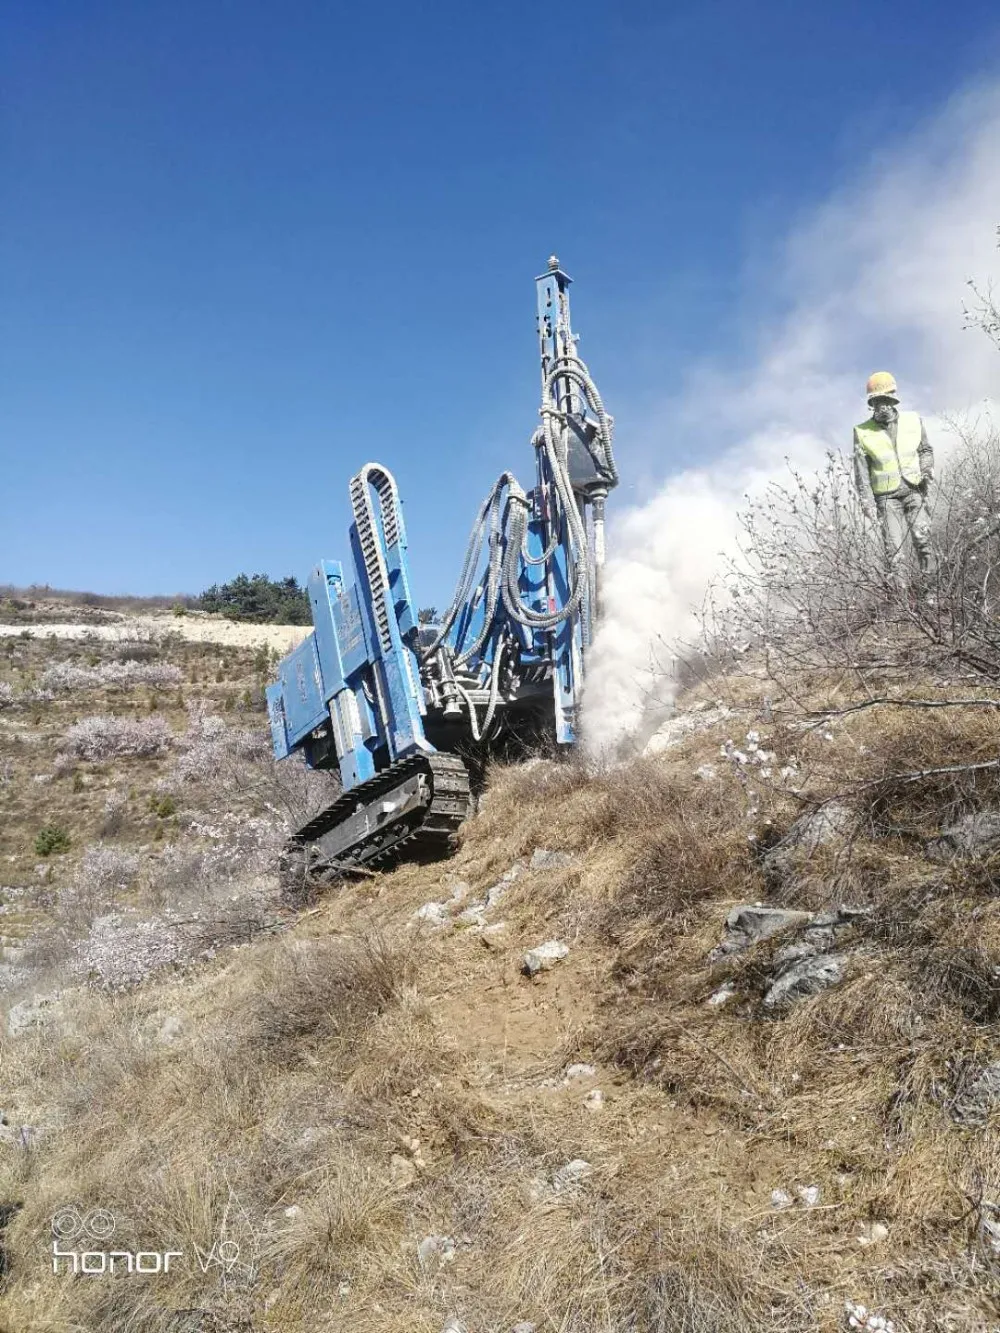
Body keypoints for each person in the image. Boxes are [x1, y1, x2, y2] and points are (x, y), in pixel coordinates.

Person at [853, 371, 936, 595]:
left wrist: (927, 470)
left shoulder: (913, 420)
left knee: (924, 540)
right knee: (894, 551)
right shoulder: (862, 432)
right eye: (877, 401)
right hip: (886, 498)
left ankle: (932, 596)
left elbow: (925, 450)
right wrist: (867, 504)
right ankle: (903, 605)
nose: (883, 406)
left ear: (893, 400)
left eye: (886, 400)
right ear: (872, 403)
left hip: (914, 490)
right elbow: (861, 472)